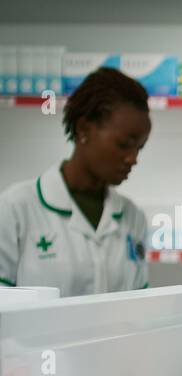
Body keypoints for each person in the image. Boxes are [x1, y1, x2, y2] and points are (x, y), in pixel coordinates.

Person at [0, 67, 152, 295]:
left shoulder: (133, 218)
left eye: (139, 148)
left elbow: (138, 307)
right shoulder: (16, 209)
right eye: (123, 145)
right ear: (83, 129)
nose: (133, 159)